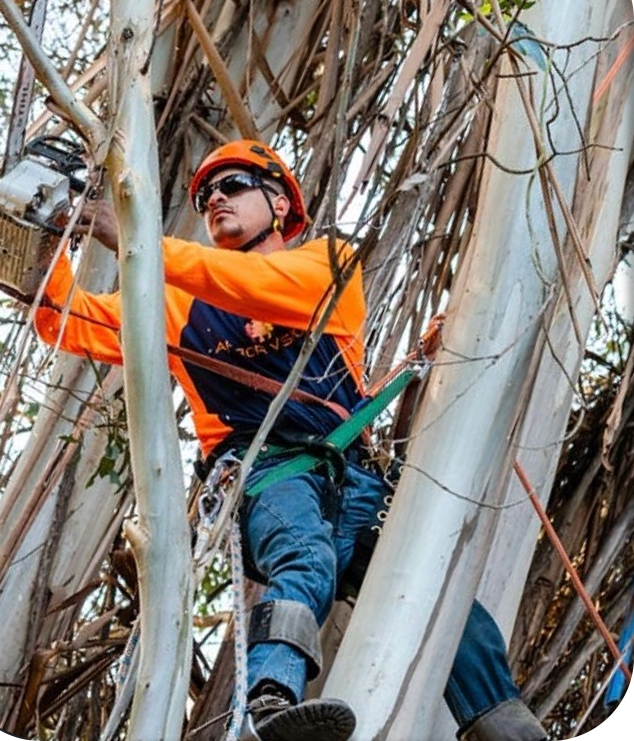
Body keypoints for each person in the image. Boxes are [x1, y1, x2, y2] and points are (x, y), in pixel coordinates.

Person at [34, 139, 547, 741]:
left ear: (279, 201)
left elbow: (252, 285)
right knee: (305, 558)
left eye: (232, 186)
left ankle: (506, 726)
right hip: (268, 471)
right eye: (204, 196)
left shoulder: (328, 264)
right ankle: (272, 703)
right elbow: (63, 318)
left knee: (436, 586)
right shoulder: (172, 302)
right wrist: (46, 233)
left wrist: (137, 240)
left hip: (352, 476)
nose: (214, 200)